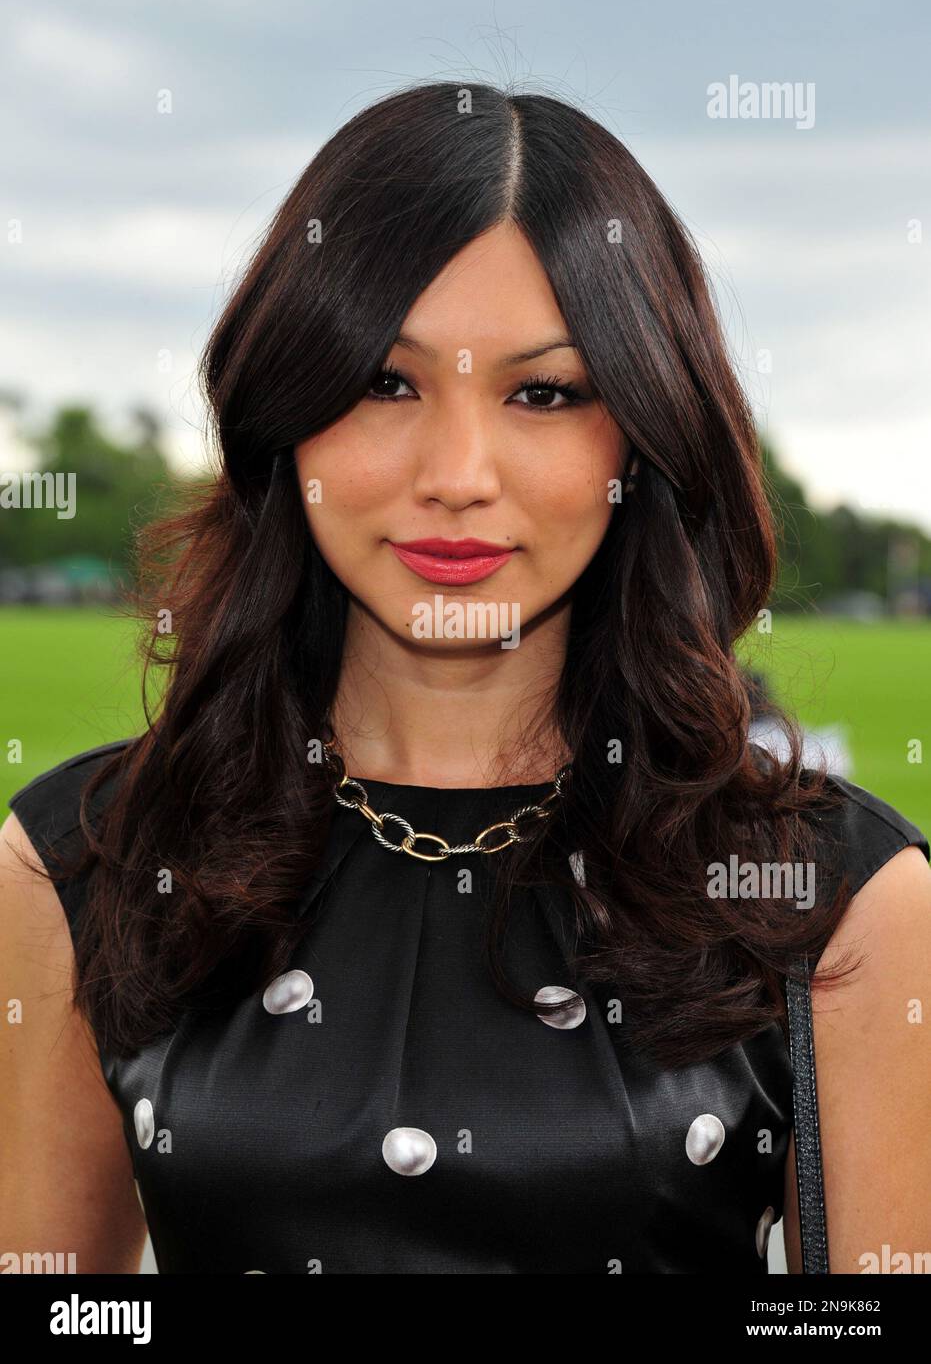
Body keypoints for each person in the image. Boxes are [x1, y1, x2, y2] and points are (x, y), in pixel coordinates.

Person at [2, 81, 929, 1276]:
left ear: (642, 437)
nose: (457, 472)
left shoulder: (841, 897)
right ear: (287, 412)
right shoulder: (84, 862)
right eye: (386, 382)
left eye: (542, 393)